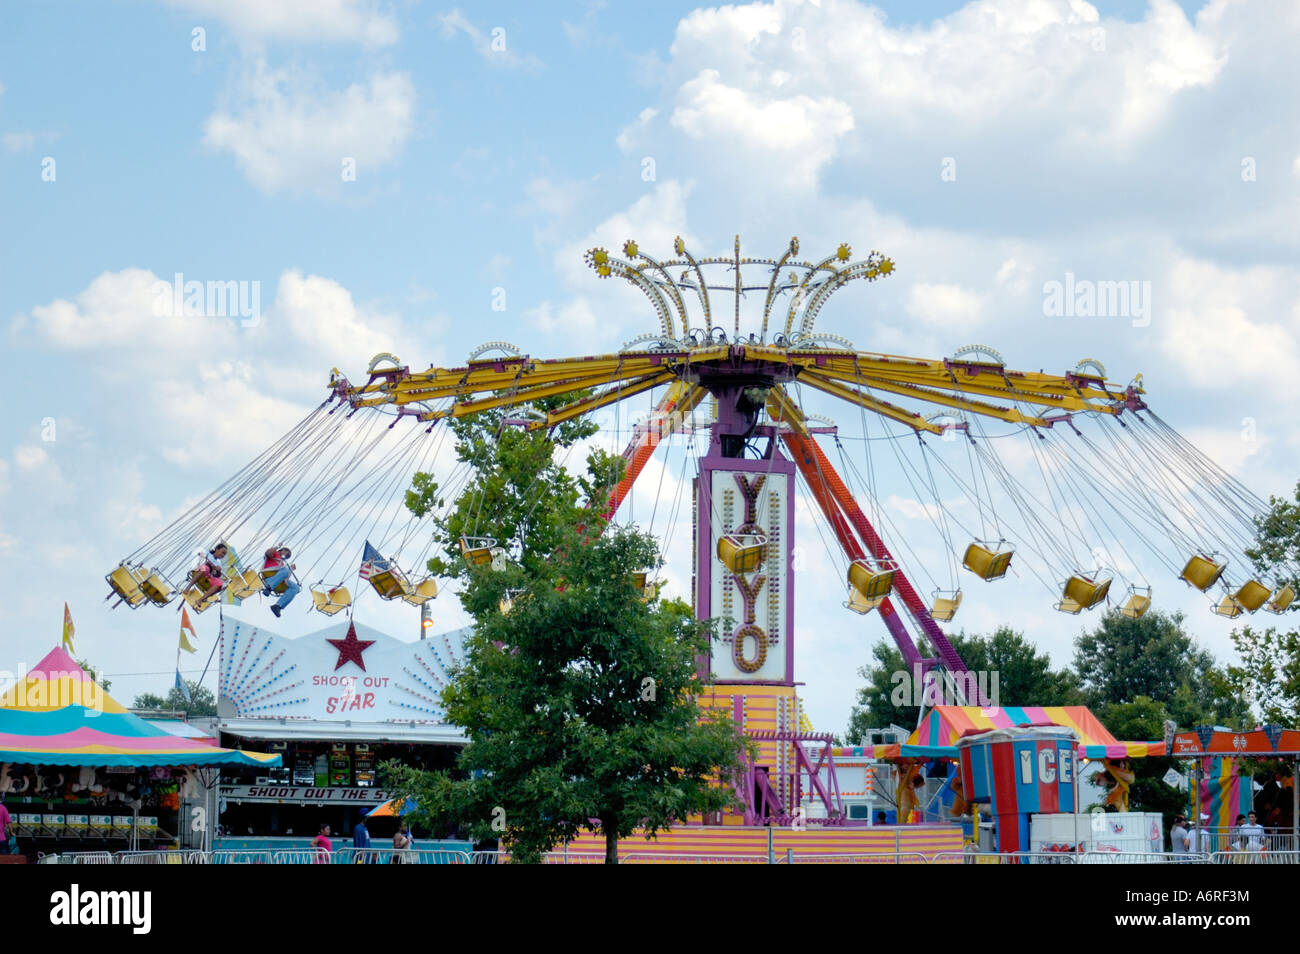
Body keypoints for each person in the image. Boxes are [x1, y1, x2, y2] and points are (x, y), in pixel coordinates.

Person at [262, 546, 301, 617]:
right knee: (286, 570)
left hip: (278, 581)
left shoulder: (282, 564)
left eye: (288, 555)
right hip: (269, 575)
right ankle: (269, 588)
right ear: (282, 550)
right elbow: (268, 553)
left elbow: (286, 578)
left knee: (296, 588)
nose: (286, 555)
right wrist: (277, 547)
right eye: (286, 552)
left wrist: (291, 569)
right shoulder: (275, 553)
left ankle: (278, 606)